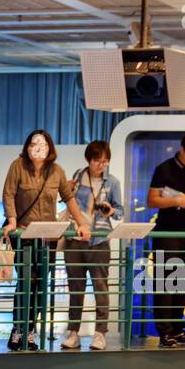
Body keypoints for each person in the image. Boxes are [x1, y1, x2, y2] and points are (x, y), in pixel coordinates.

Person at [1, 129, 92, 351]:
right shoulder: (17, 166)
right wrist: (12, 220)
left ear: (50, 148)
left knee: (40, 286)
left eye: (42, 144)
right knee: (25, 284)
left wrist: (82, 223)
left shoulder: (57, 171)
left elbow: (69, 199)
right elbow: (8, 194)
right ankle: (18, 331)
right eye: (34, 143)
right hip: (24, 235)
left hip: (48, 238)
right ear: (27, 146)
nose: (38, 148)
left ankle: (30, 332)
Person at [146, 131, 185, 347]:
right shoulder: (164, 169)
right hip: (167, 231)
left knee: (183, 282)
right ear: (182, 149)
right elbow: (152, 200)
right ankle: (164, 331)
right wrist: (176, 200)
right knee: (166, 282)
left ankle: (177, 328)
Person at [62, 140, 124, 351]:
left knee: (100, 287)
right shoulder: (78, 175)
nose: (101, 165)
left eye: (105, 161)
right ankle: (73, 332)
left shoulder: (113, 183)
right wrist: (67, 187)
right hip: (75, 239)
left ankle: (100, 333)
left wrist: (111, 210)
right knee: (75, 288)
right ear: (89, 159)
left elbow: (121, 211)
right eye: (98, 160)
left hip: (99, 240)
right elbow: (68, 200)